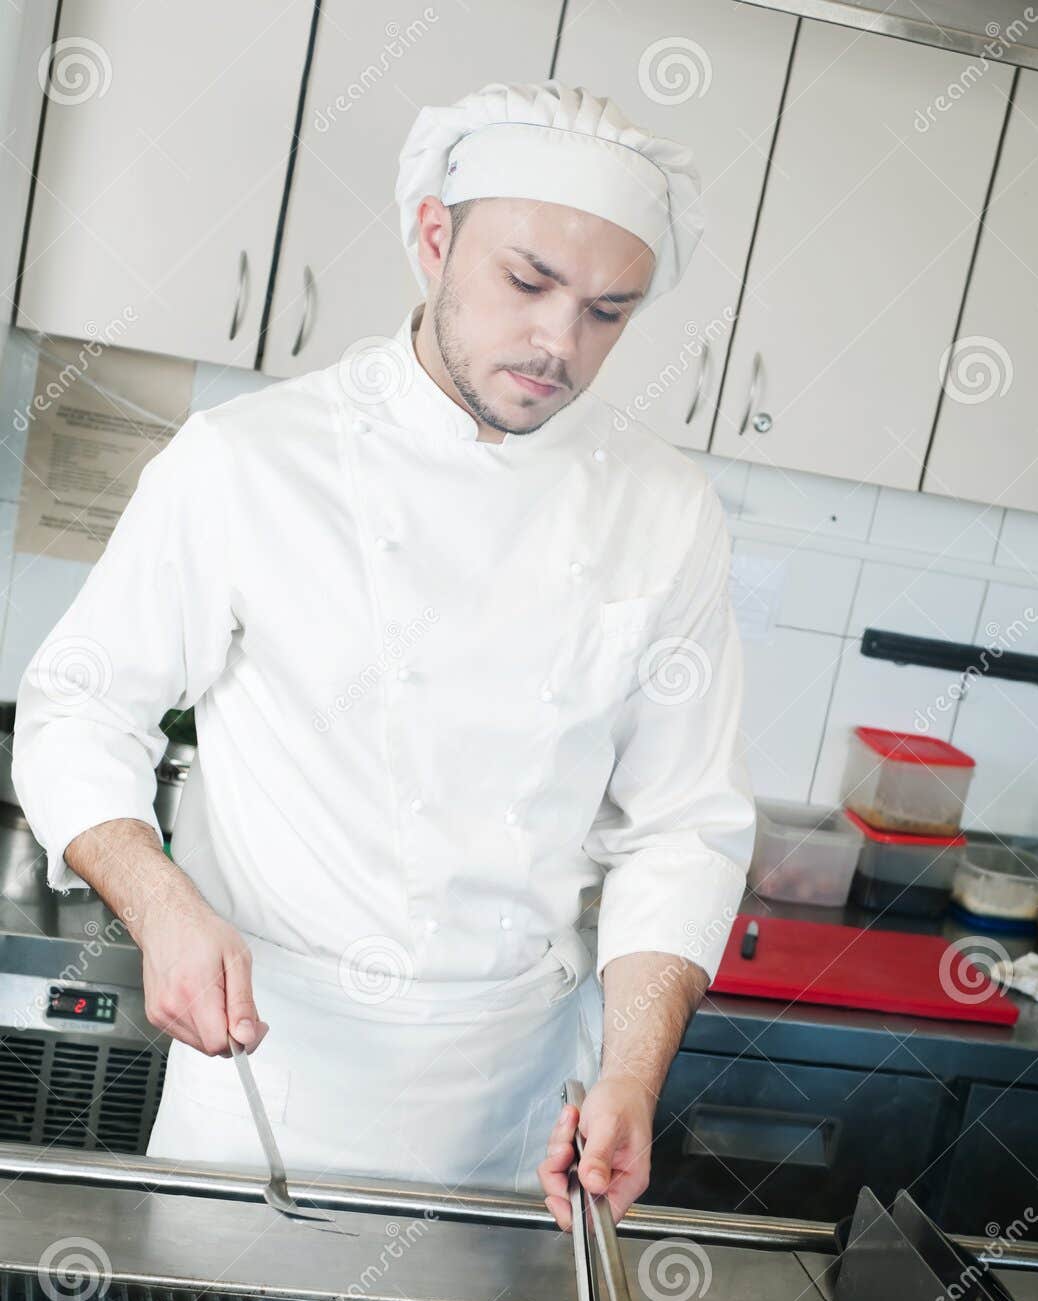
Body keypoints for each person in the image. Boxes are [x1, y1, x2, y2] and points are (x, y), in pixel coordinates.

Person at [13, 80, 755, 1225]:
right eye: (528, 282)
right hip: (265, 1079)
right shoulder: (247, 462)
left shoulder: (666, 511)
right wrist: (160, 901)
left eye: (608, 311)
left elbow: (679, 823)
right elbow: (77, 710)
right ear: (432, 237)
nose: (559, 343)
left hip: (517, 1116)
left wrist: (629, 1073)